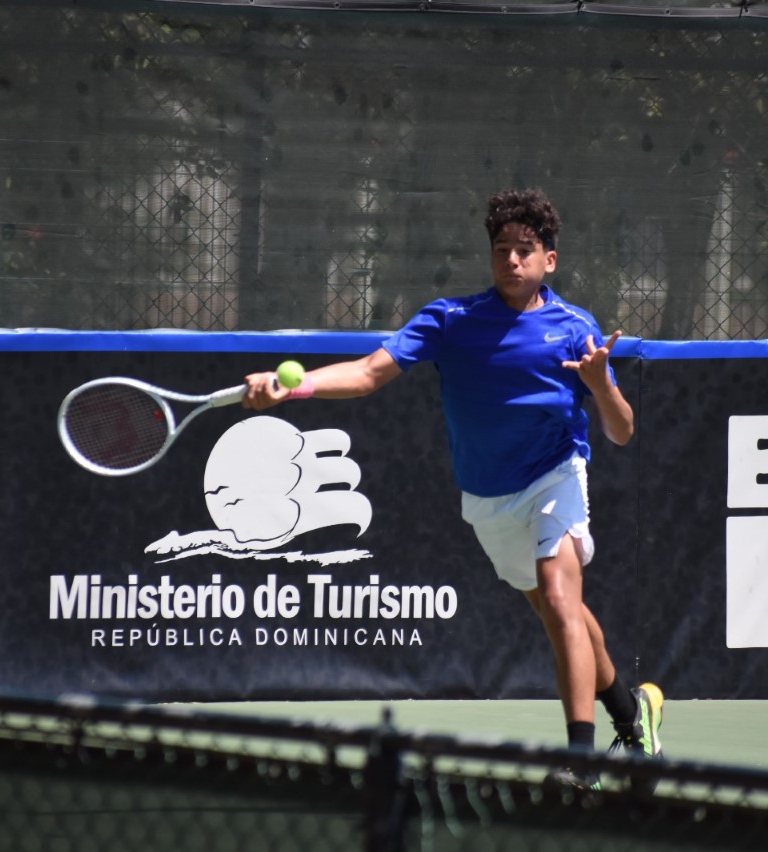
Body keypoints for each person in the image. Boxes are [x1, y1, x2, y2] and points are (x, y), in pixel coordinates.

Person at [242, 188, 663, 790]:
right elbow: (367, 374)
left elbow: (621, 431)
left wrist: (601, 386)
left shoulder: (575, 330)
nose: (512, 260)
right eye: (501, 250)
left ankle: (582, 762)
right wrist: (295, 387)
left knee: (559, 591)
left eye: (526, 250)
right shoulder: (450, 320)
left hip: (555, 475)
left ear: (550, 260)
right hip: (488, 499)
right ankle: (631, 711)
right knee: (557, 612)